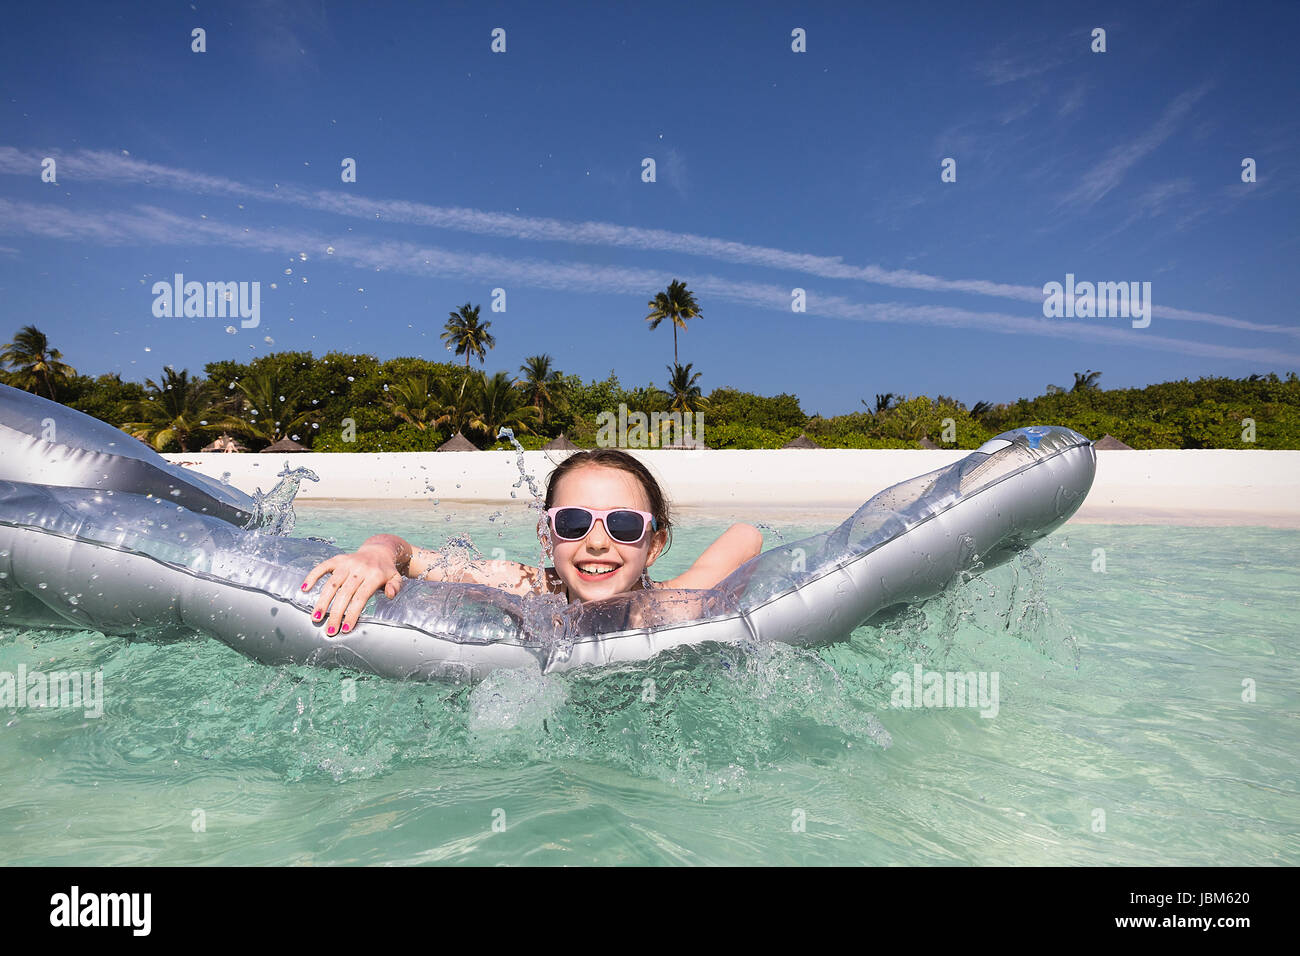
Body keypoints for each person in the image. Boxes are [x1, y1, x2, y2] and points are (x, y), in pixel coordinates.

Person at [300, 448, 764, 636]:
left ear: (654, 543)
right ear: (547, 536)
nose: (598, 543)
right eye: (574, 522)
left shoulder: (676, 604)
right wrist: (375, 553)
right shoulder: (521, 585)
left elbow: (747, 534)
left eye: (622, 525)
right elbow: (407, 553)